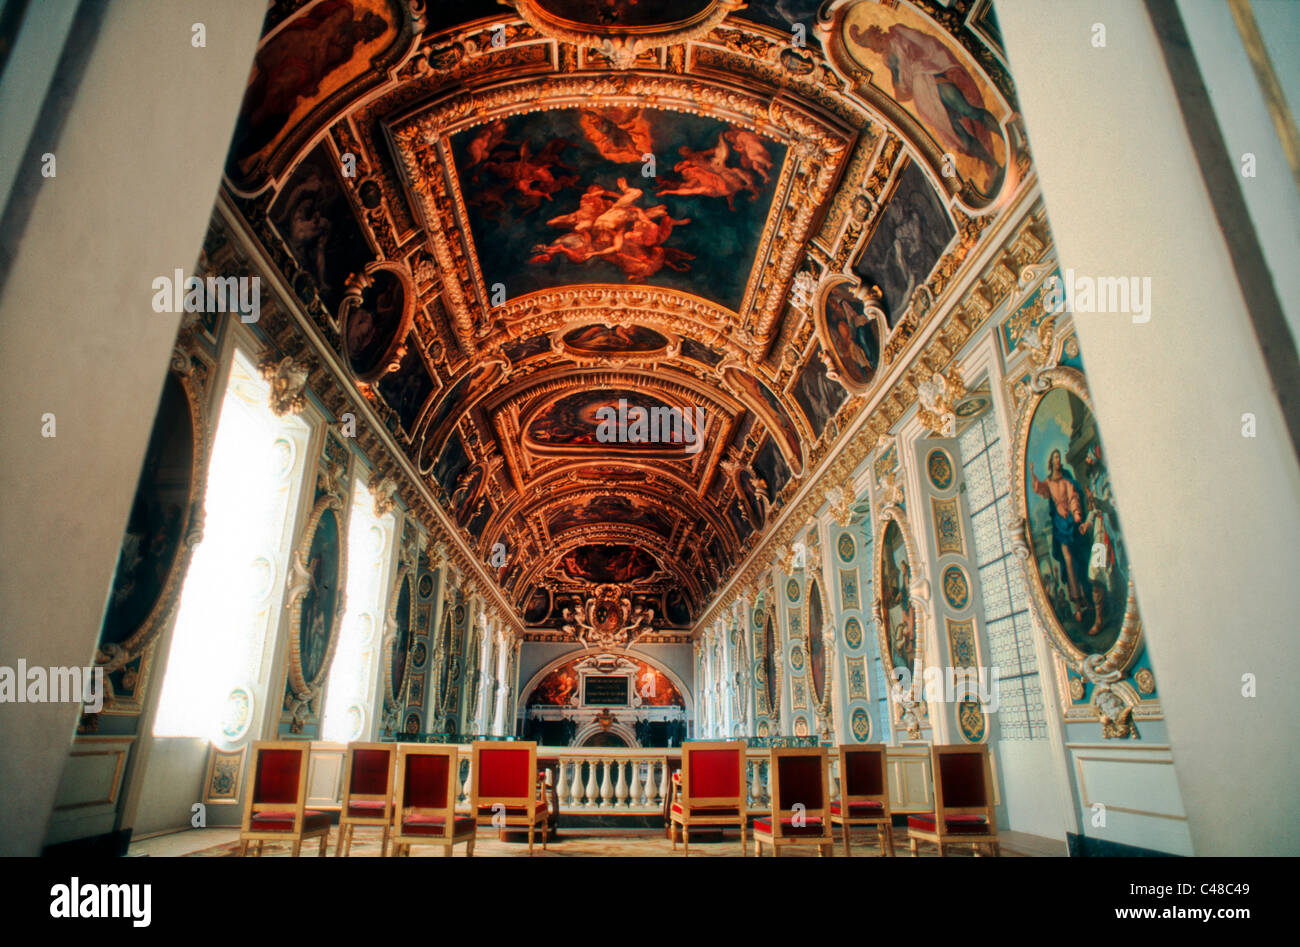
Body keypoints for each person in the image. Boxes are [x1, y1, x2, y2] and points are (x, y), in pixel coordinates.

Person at [1031, 449, 1092, 625]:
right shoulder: (1049, 482)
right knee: (1068, 560)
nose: (1058, 460)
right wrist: (1033, 474)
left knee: (1079, 560)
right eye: (1055, 457)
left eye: (1059, 457)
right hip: (1059, 524)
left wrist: (1077, 514)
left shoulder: (1067, 480)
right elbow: (1039, 489)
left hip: (1071, 522)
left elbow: (1073, 497)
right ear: (1051, 462)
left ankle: (1085, 599)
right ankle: (1076, 604)